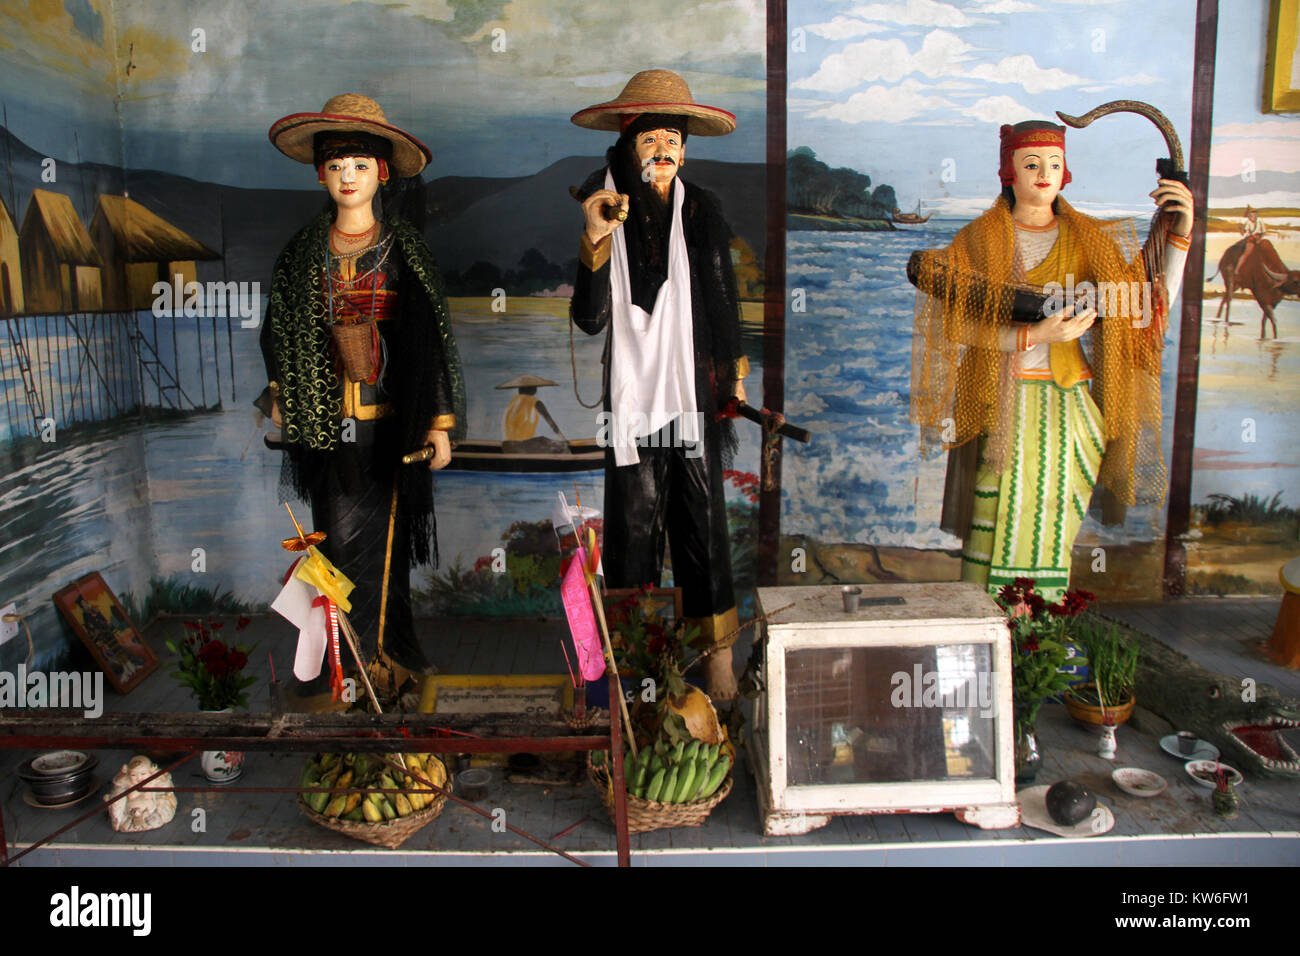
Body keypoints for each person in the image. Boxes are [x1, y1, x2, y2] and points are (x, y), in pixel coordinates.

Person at [908, 120, 1193, 600]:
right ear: (1009, 173)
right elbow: (955, 328)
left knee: (1054, 513)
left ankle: (1045, 631)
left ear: (1067, 173)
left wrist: (1179, 234)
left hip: (1068, 399)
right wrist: (1033, 334)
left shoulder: (1089, 240)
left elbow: (1144, 306)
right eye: (1031, 163)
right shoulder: (980, 239)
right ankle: (992, 631)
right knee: (998, 517)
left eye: (1054, 163)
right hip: (1003, 398)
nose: (1044, 173)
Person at [263, 94, 465, 697]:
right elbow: (277, 331)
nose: (347, 176)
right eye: (335, 165)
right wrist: (282, 391)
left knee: (388, 555)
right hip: (327, 429)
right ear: (319, 173)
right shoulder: (302, 254)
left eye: (359, 164)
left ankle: (387, 660)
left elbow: (431, 340)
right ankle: (343, 668)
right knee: (334, 542)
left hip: (391, 426)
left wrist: (438, 425)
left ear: (382, 172)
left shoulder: (406, 250)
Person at [569, 70, 748, 699]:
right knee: (633, 523)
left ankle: (717, 652)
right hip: (630, 395)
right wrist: (596, 239)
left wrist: (736, 378)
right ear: (627, 145)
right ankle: (634, 659)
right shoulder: (603, 205)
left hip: (693, 391)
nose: (664, 151)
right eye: (651, 140)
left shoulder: (700, 208)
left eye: (674, 138)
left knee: (701, 520)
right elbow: (589, 319)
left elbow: (724, 301)